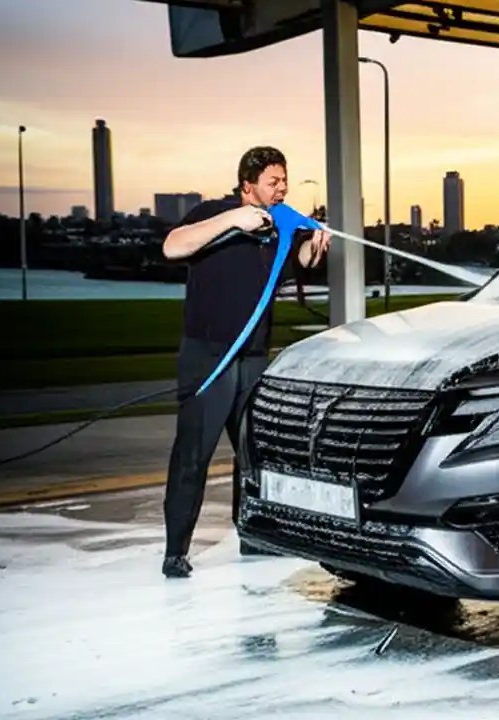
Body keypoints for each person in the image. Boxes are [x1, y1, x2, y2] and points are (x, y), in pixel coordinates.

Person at [159, 146, 330, 578]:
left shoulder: (280, 227)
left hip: (254, 358)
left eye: (285, 180)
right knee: (193, 456)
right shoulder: (214, 213)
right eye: (273, 181)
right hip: (209, 357)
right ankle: (175, 551)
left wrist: (314, 249)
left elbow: (301, 261)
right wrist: (234, 219)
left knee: (255, 456)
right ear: (247, 185)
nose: (282, 188)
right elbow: (173, 247)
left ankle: (253, 538)